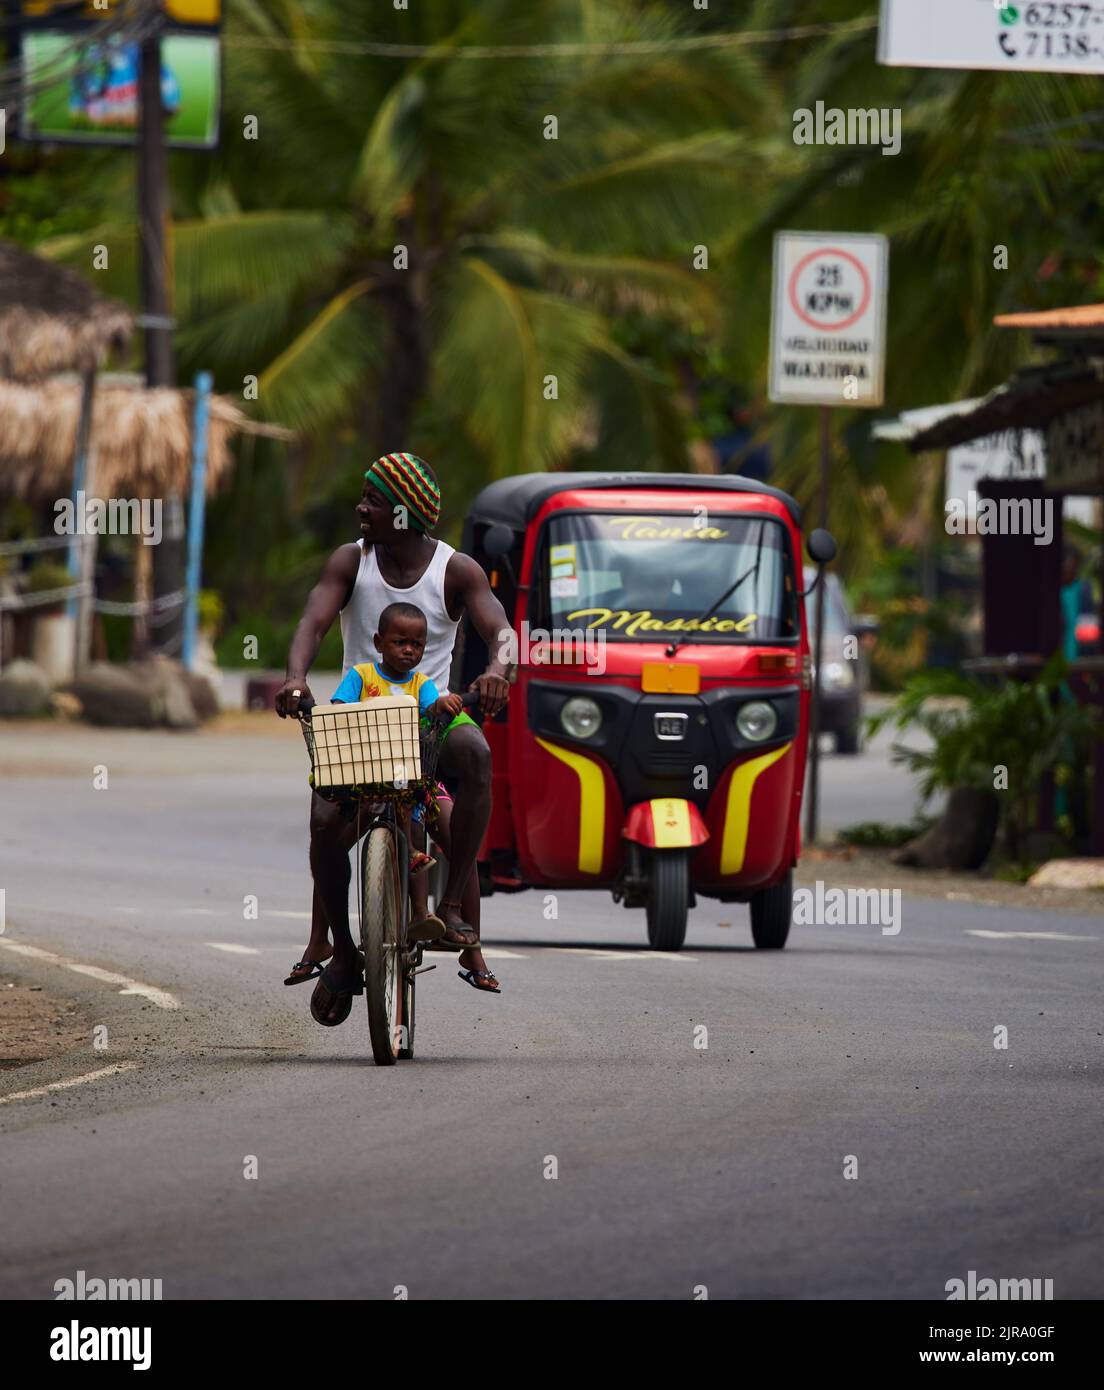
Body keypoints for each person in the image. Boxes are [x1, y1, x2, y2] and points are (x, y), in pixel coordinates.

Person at [276, 452, 511, 1022]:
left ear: (403, 513)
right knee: (324, 823)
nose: (360, 507)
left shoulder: (458, 571)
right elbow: (312, 622)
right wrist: (295, 677)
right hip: (361, 715)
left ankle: (452, 905)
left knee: (476, 753)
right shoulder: (349, 562)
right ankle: (342, 947)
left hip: (431, 713)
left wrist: (498, 671)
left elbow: (500, 631)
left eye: (372, 500)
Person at [325, 600, 463, 940]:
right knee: (331, 839)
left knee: (415, 822)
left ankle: (421, 913)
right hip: (365, 770)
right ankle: (329, 933)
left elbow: (432, 710)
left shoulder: (422, 684)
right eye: (400, 642)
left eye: (417, 644)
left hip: (405, 774)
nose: (408, 650)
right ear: (378, 643)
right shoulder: (362, 676)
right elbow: (340, 707)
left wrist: (442, 705)